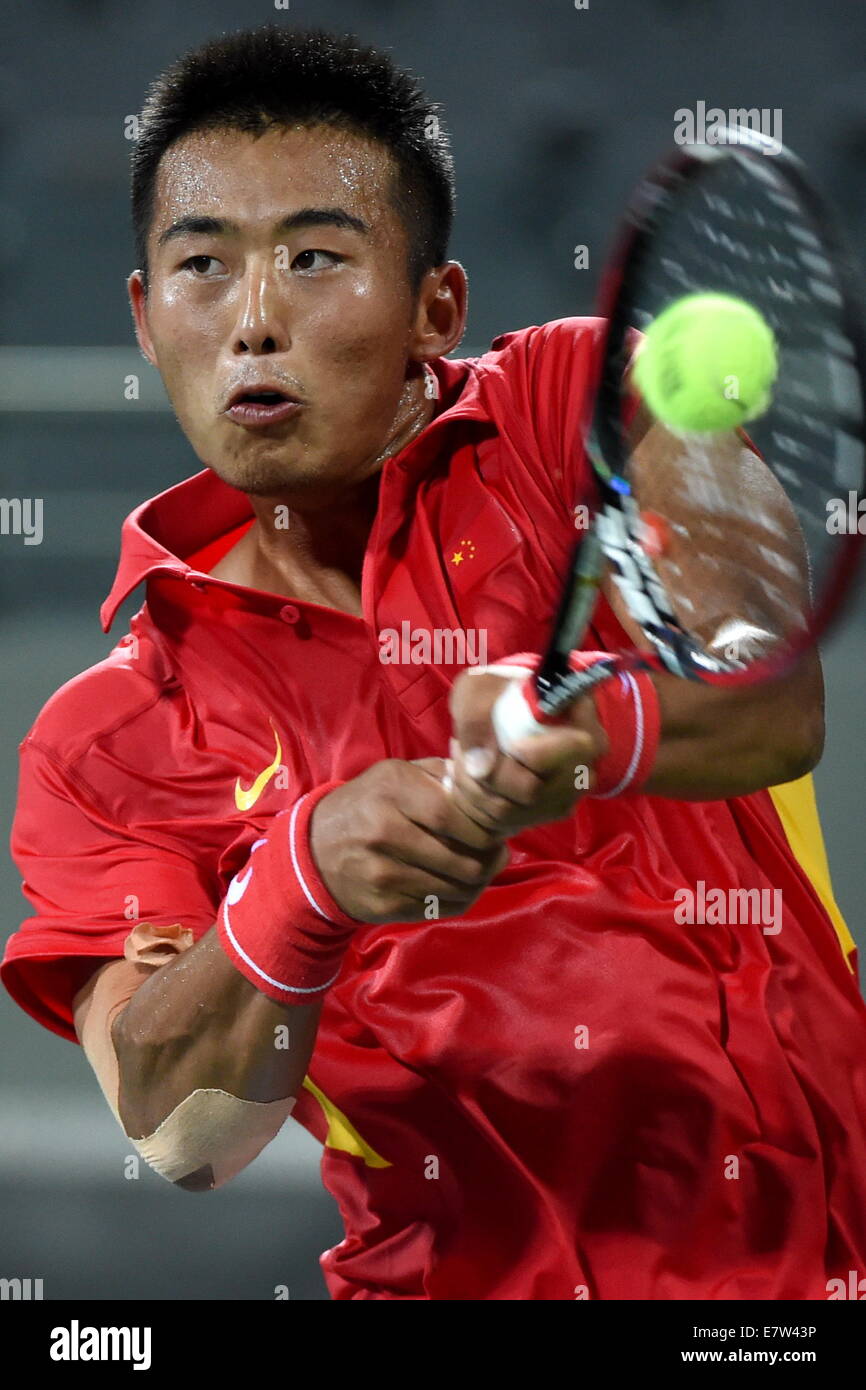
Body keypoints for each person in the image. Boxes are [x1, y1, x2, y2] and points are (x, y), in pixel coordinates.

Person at [4, 24, 866, 1301]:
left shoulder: (576, 404)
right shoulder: (103, 742)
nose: (252, 320)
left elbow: (766, 696)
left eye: (313, 258)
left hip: (802, 1276)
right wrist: (298, 885)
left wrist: (588, 739)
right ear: (144, 314)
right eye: (202, 265)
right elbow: (184, 1135)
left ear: (435, 309)